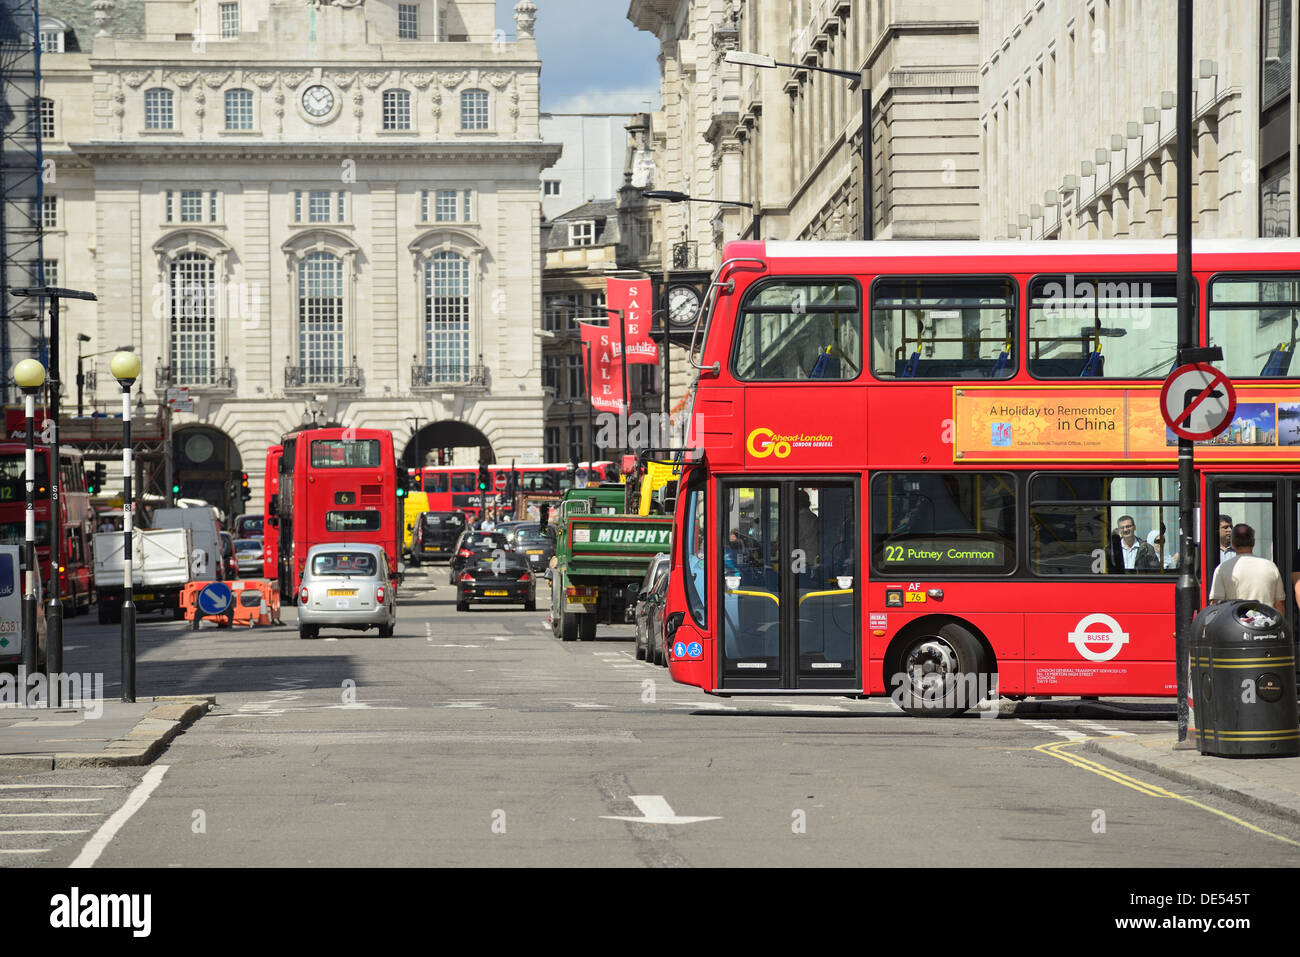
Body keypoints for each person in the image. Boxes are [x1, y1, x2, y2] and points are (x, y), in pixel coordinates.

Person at [1208, 523, 1286, 614]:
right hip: (1265, 625)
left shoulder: (1222, 568)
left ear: (1232, 543)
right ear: (1253, 543)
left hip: (1233, 625)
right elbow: (1279, 605)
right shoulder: (1271, 567)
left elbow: (1216, 604)